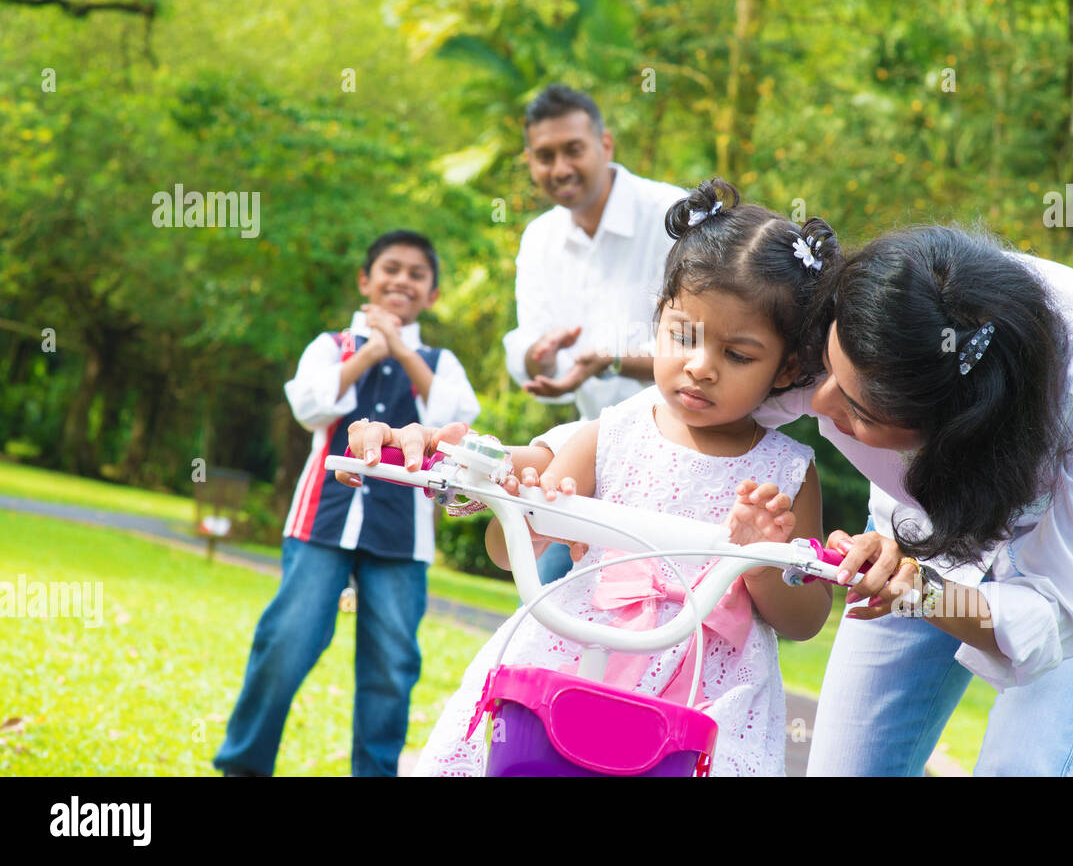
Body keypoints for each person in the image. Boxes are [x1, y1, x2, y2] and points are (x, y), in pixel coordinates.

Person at [351, 179, 841, 775]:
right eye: (682, 335)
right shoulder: (612, 432)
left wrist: (760, 557)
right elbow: (507, 552)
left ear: (787, 366)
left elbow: (806, 619)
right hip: (578, 650)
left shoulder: (785, 473)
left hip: (707, 693)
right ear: (659, 320)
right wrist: (530, 512)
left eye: (738, 355)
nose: (699, 366)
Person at [762, 225, 1073, 776]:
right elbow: (714, 395)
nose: (821, 403)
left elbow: (1054, 616)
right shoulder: (877, 313)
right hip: (926, 520)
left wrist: (922, 592)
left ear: (949, 432)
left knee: (1021, 763)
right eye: (829, 371)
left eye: (860, 413)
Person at [214, 230, 480, 777]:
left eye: (416, 274)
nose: (401, 280)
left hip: (403, 536)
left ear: (431, 294)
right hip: (321, 520)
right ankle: (243, 766)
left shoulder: (439, 360)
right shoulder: (329, 346)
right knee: (286, 640)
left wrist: (401, 350)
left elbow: (456, 421)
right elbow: (310, 406)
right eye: (390, 269)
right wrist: (370, 353)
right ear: (366, 280)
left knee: (391, 664)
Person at [502, 84, 686, 584]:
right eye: (544, 156)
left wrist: (608, 361)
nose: (559, 167)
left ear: (605, 145)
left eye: (573, 150)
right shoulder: (540, 237)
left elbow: (702, 347)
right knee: (543, 608)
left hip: (684, 451)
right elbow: (528, 346)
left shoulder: (675, 216)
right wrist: (540, 359)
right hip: (593, 455)